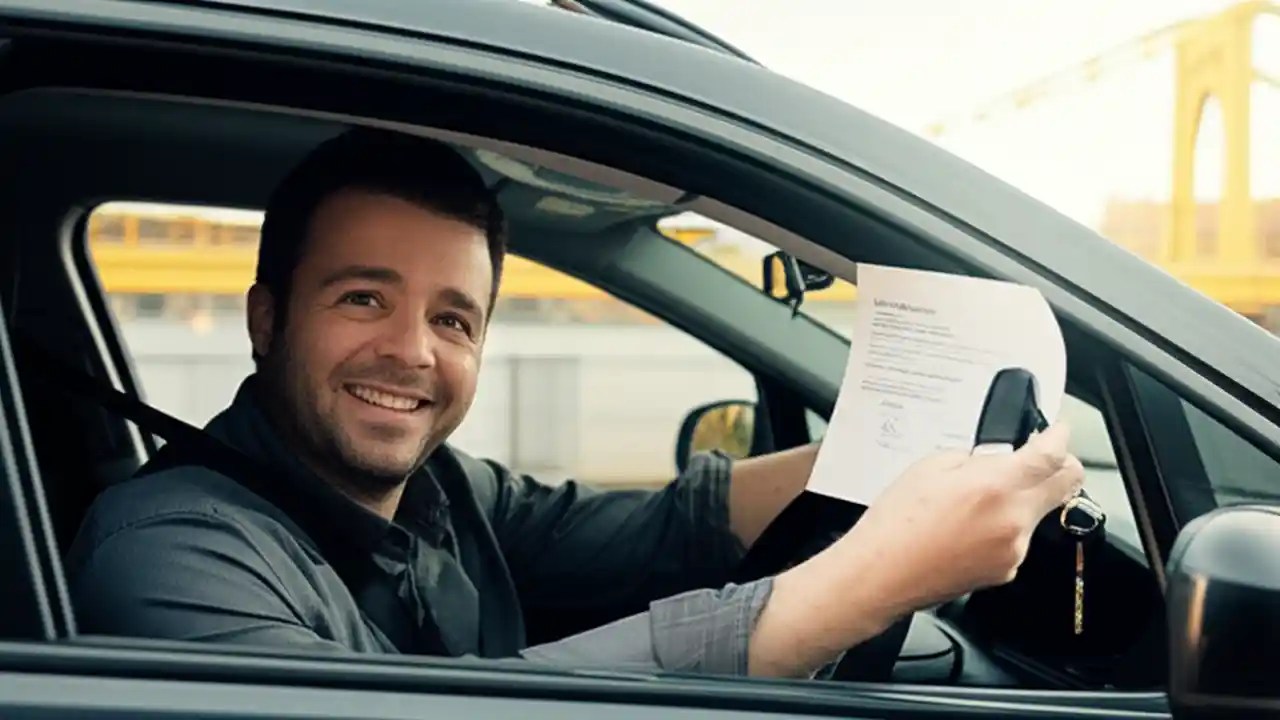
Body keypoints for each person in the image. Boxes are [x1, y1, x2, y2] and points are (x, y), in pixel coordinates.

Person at [65, 128, 1083, 679]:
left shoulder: (440, 494)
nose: (413, 351)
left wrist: (907, 442)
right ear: (265, 318)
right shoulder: (169, 549)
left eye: (454, 319)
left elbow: (669, 526)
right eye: (363, 297)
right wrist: (857, 584)